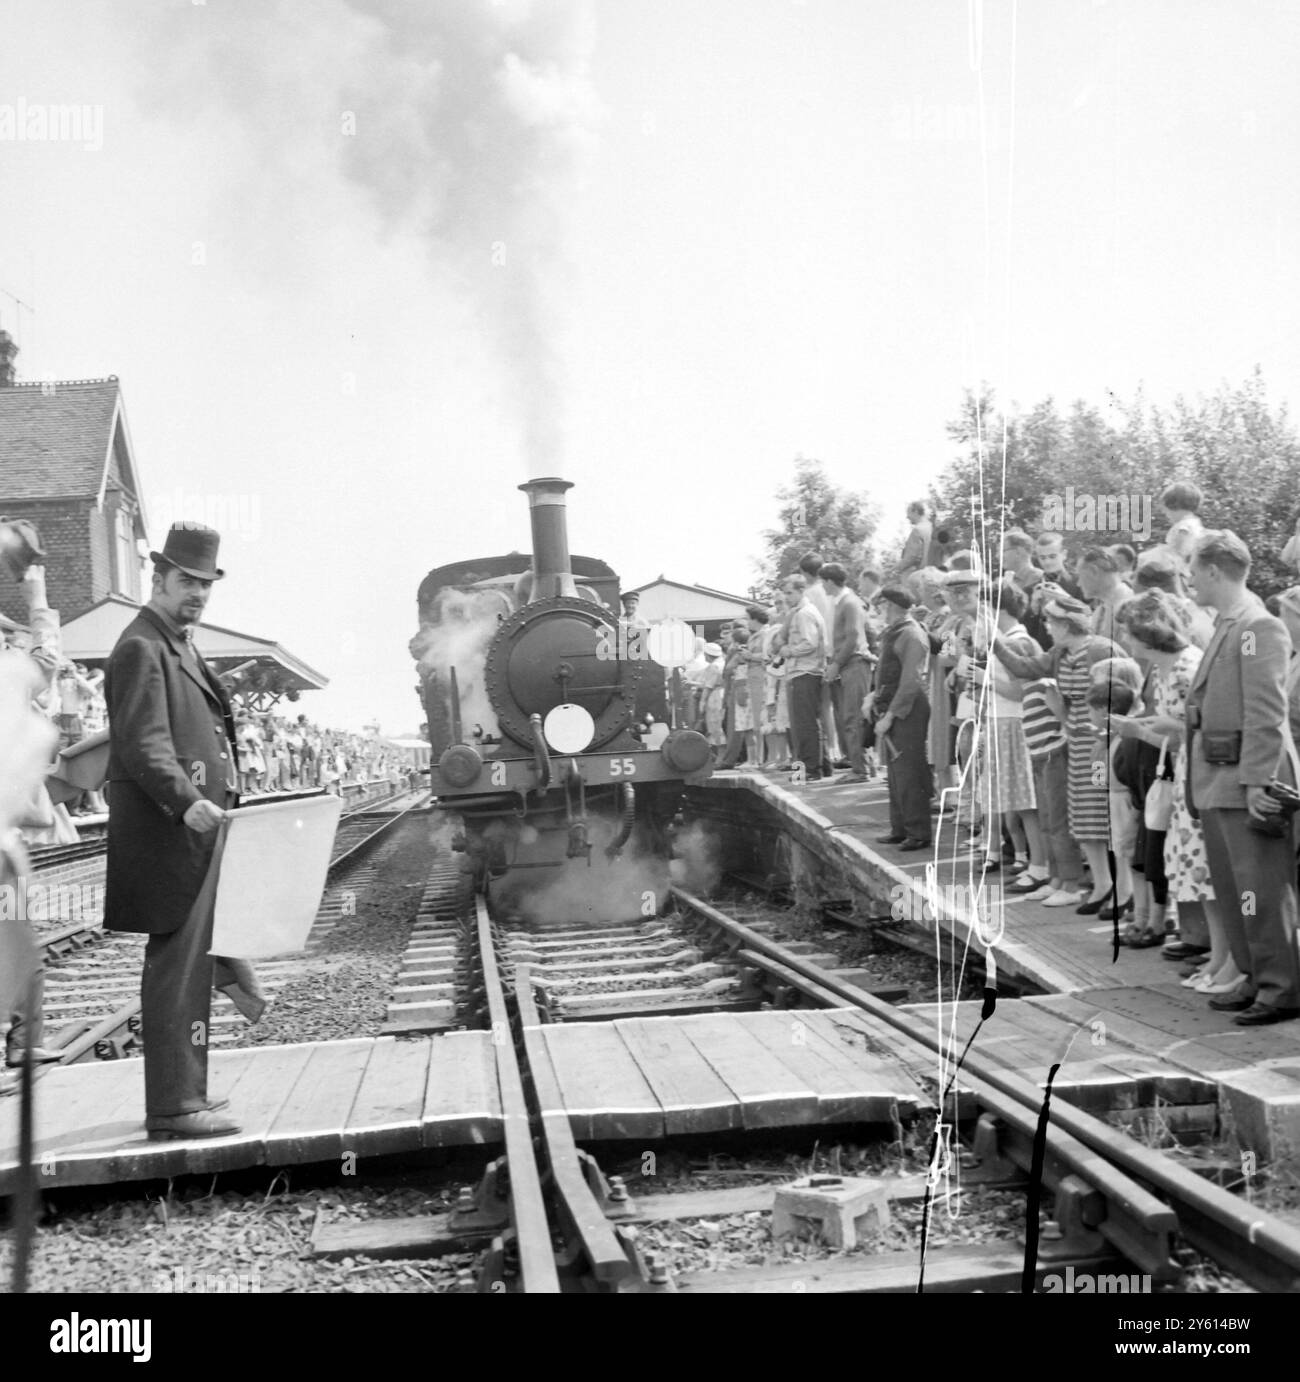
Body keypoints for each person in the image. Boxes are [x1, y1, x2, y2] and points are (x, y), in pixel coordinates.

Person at [103, 523, 262, 1141]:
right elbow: (143, 744)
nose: (197, 593)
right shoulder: (143, 646)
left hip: (191, 833)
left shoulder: (175, 642)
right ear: (158, 577)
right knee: (175, 968)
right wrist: (188, 801)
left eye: (205, 584)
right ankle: (172, 1108)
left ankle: (186, 1094)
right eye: (186, 581)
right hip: (175, 831)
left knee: (192, 966)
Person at [1184, 531, 1300, 1024]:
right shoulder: (1231, 625)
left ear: (1213, 570)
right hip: (1220, 781)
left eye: (1193, 570)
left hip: (1245, 782)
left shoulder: (1257, 627)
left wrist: (1256, 782)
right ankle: (1256, 976)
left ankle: (1281, 988)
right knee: (1236, 890)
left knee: (1262, 890)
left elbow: (1265, 711)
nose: (1189, 580)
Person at [986, 594, 1123, 912]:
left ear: (1066, 624)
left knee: (1099, 812)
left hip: (1099, 741)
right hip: (1074, 740)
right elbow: (1026, 668)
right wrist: (994, 643)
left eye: (1050, 622)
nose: (1047, 627)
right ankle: (1097, 885)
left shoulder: (1101, 649)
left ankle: (1103, 886)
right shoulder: (1061, 652)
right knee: (1084, 817)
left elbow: (1118, 693)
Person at [869, 586, 931, 849]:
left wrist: (890, 716)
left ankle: (918, 833)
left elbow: (910, 683)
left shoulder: (911, 634)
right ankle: (901, 827)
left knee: (908, 773)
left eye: (881, 605)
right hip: (894, 705)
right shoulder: (896, 632)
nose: (879, 610)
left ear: (892, 605)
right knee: (896, 774)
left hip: (908, 708)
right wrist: (872, 697)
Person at [821, 562, 873, 782]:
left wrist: (835, 663)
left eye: (823, 581)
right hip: (848, 664)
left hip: (854, 663)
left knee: (853, 717)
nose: (822, 585)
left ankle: (860, 770)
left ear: (830, 581)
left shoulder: (849, 602)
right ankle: (863, 766)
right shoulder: (844, 601)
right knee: (850, 716)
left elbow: (853, 636)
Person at [780, 573, 828, 781]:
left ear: (801, 591)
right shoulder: (803, 612)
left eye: (790, 593)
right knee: (809, 721)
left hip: (805, 671)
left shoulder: (803, 614)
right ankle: (822, 765)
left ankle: (810, 769)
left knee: (804, 723)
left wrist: (789, 651)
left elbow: (810, 642)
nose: (786, 597)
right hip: (806, 672)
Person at [799, 554, 840, 772]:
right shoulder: (830, 592)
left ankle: (828, 753)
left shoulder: (807, 595)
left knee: (819, 708)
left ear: (804, 573)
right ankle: (836, 749)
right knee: (831, 706)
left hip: (817, 654)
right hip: (834, 649)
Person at [1076, 546, 1133, 645]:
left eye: (1080, 576)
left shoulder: (1130, 607)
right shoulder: (1100, 611)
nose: (1078, 583)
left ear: (1094, 571)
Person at [1159, 481, 1205, 570]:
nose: (1166, 514)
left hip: (1179, 570)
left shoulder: (1183, 527)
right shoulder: (1195, 523)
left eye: (1167, 511)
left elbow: (1177, 552)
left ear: (1174, 506)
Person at [895, 501, 932, 583]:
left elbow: (912, 556)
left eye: (908, 513)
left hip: (915, 578)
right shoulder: (931, 528)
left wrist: (897, 567)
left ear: (915, 511)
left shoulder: (917, 530)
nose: (907, 517)